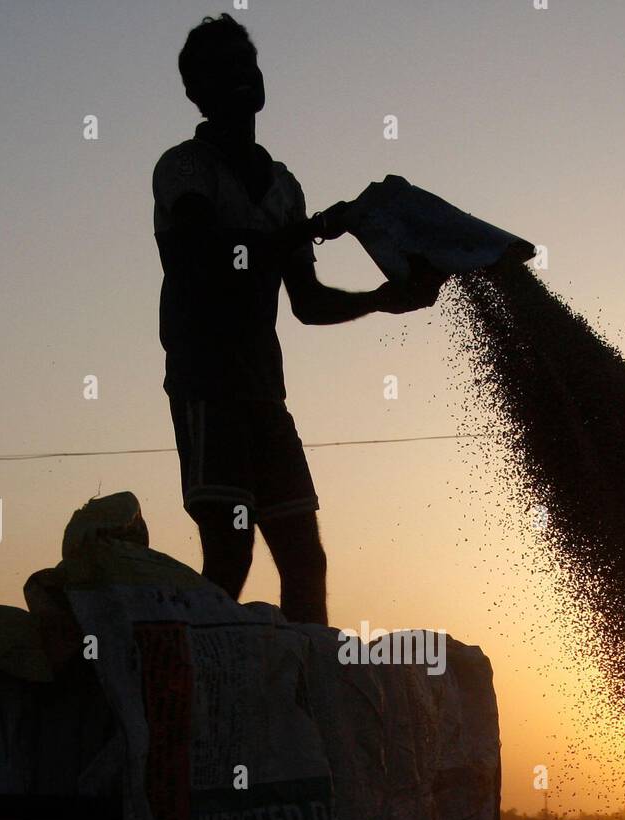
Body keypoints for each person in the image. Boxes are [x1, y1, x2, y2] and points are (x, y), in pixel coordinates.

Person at [153, 13, 442, 621]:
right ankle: (199, 691)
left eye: (246, 65)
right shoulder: (184, 169)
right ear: (195, 93)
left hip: (264, 393)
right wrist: (304, 232)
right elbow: (205, 257)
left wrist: (381, 299)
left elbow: (306, 303)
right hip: (207, 385)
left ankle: (307, 705)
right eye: (222, 70)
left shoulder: (284, 186)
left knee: (304, 560)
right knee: (230, 554)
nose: (240, 78)